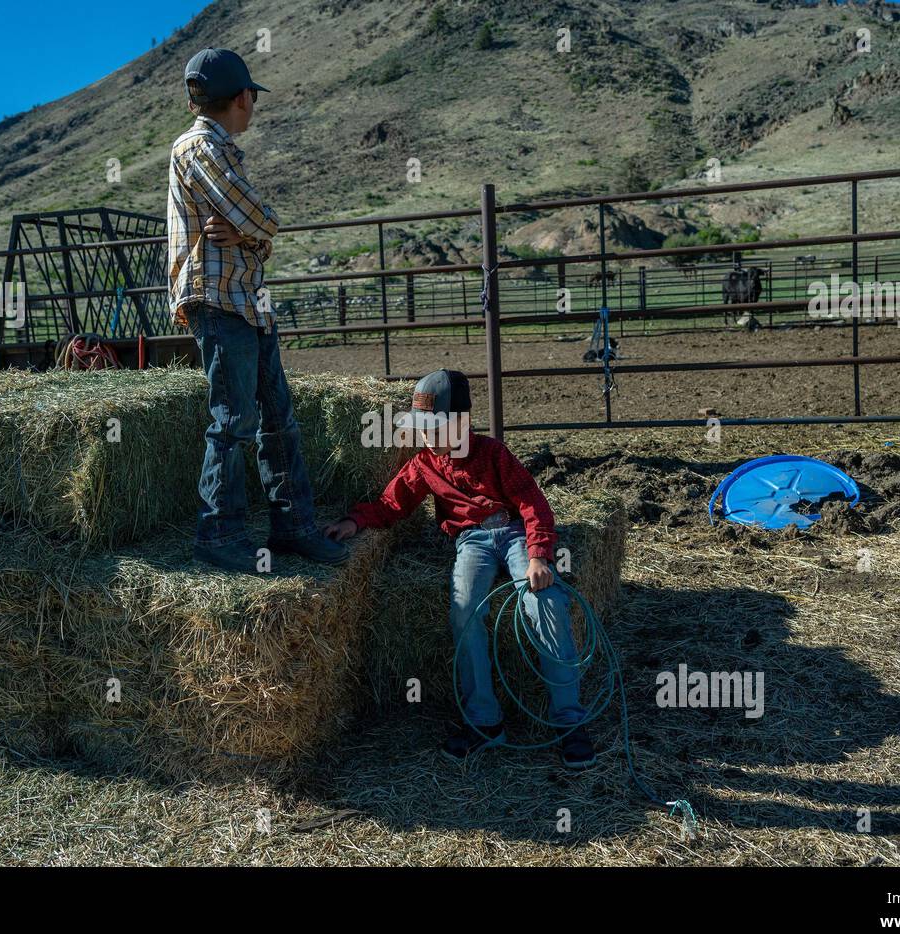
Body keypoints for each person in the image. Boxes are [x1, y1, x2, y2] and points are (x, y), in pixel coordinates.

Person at [325, 369, 596, 769]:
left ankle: (569, 721)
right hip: (471, 541)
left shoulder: (494, 454)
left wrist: (539, 554)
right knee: (465, 608)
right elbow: (391, 504)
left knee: (546, 602)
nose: (427, 437)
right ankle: (485, 721)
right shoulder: (424, 464)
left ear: (461, 422)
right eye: (422, 429)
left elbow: (532, 504)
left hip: (515, 532)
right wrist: (354, 522)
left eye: (434, 428)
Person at [167, 48, 345, 573]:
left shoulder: (214, 150)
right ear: (243, 98)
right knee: (233, 419)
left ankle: (292, 525)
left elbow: (253, 236)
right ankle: (218, 533)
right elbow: (260, 219)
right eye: (251, 96)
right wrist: (256, 228)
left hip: (245, 300)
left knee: (276, 416)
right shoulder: (201, 148)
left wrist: (250, 234)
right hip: (222, 299)